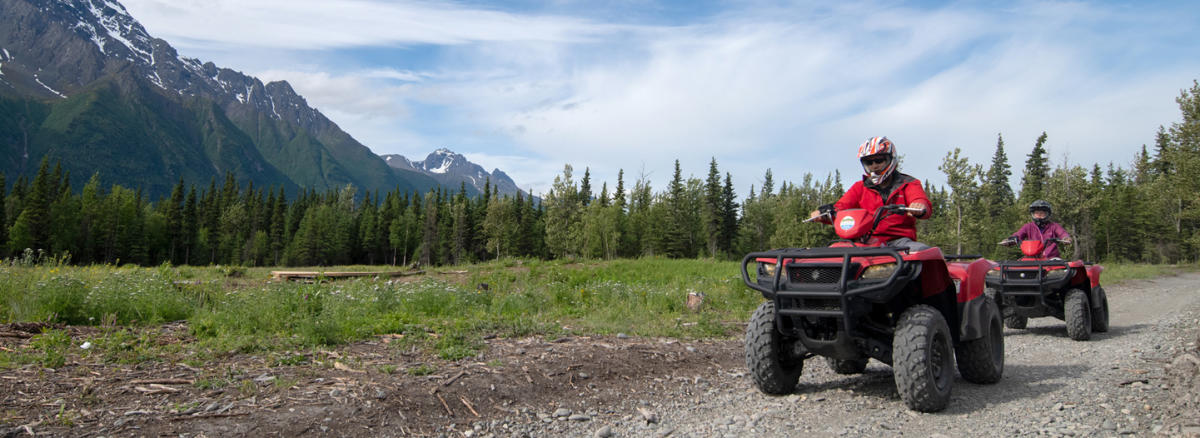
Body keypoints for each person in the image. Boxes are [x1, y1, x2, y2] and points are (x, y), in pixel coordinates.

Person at [809, 136, 932, 250]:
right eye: (869, 162)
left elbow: (920, 200)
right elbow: (841, 207)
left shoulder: (908, 184)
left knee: (923, 252)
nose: (874, 166)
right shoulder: (860, 187)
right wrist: (824, 214)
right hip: (865, 241)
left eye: (879, 160)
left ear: (891, 159)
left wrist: (919, 206)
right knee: (833, 253)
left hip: (898, 241)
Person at [1001, 200, 1071, 258]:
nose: (1039, 215)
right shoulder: (1028, 226)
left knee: (1059, 269)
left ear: (1047, 214)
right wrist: (1010, 240)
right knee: (1018, 267)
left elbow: (1062, 233)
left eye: (1042, 213)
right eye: (1036, 213)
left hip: (1051, 259)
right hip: (1032, 258)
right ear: (1033, 214)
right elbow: (1018, 234)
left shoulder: (1054, 226)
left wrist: (1066, 238)